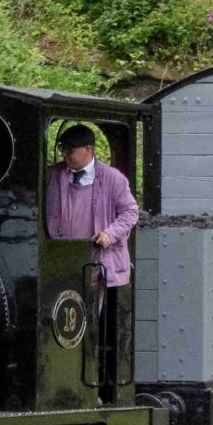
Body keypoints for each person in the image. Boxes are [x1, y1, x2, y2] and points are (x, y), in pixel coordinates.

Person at [45, 125, 139, 388]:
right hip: (61, 261)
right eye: (63, 150)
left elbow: (130, 213)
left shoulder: (113, 179)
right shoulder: (53, 176)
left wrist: (110, 233)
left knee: (86, 322)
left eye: (70, 151)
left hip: (96, 265)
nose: (65, 156)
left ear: (88, 150)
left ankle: (88, 380)